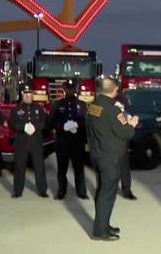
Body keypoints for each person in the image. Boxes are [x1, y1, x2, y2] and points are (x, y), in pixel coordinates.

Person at [86, 75, 138, 241]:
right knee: (107, 194)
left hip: (97, 154)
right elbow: (126, 132)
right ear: (114, 89)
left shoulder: (93, 106)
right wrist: (132, 124)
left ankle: (103, 224)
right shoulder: (113, 109)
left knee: (102, 191)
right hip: (110, 158)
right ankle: (100, 231)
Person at [48, 79, 89, 200]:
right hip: (62, 142)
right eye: (67, 89)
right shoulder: (57, 104)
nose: (70, 91)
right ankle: (61, 191)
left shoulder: (82, 104)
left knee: (79, 168)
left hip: (77, 142)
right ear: (64, 90)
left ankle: (81, 191)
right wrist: (62, 126)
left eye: (72, 89)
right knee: (62, 168)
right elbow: (50, 122)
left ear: (75, 90)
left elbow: (87, 121)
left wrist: (78, 124)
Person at [8, 86, 48, 198]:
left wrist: (36, 127)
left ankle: (42, 190)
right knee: (19, 167)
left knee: (39, 166)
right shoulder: (16, 109)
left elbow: (45, 123)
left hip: (36, 142)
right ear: (22, 94)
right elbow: (11, 123)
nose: (27, 95)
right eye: (25, 93)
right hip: (21, 142)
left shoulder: (39, 108)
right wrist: (22, 127)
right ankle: (17, 191)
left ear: (32, 94)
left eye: (29, 93)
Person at [115, 94, 137, 201]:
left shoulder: (123, 99)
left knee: (124, 167)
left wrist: (130, 119)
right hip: (109, 139)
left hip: (122, 138)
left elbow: (129, 114)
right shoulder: (102, 100)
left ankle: (127, 191)